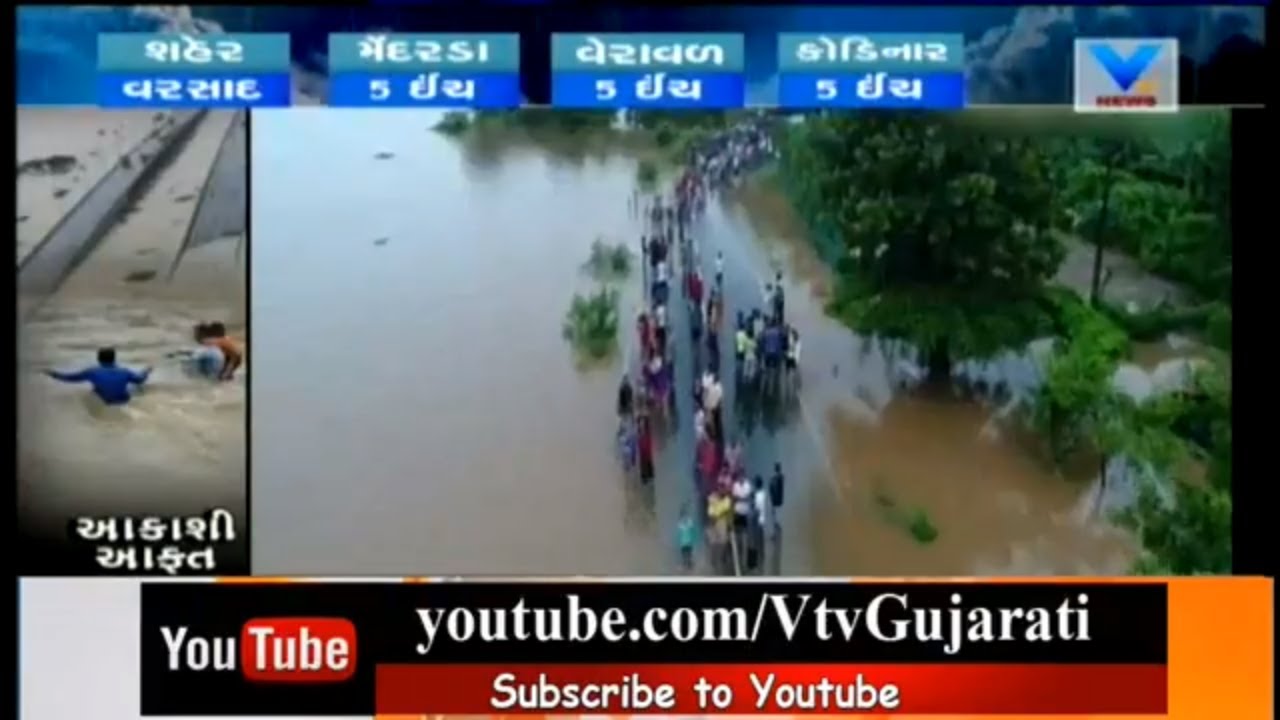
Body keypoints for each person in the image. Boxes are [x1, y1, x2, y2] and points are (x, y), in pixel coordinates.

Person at [45, 347, 151, 406]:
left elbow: (71, 378)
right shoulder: (125, 371)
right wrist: (146, 371)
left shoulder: (93, 372)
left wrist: (53, 374)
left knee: (93, 392)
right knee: (135, 387)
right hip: (124, 401)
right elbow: (140, 379)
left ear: (98, 359)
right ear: (114, 359)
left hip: (105, 402)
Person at [768, 463, 785, 535]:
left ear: (775, 469)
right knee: (776, 515)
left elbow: (771, 487)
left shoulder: (775, 477)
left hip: (775, 499)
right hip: (780, 499)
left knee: (774, 516)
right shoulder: (781, 477)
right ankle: (777, 530)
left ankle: (775, 531)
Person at [637, 415, 655, 484]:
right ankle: (647, 477)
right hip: (645, 452)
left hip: (645, 453)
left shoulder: (644, 436)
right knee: (646, 462)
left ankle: (646, 477)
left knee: (645, 462)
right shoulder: (644, 436)